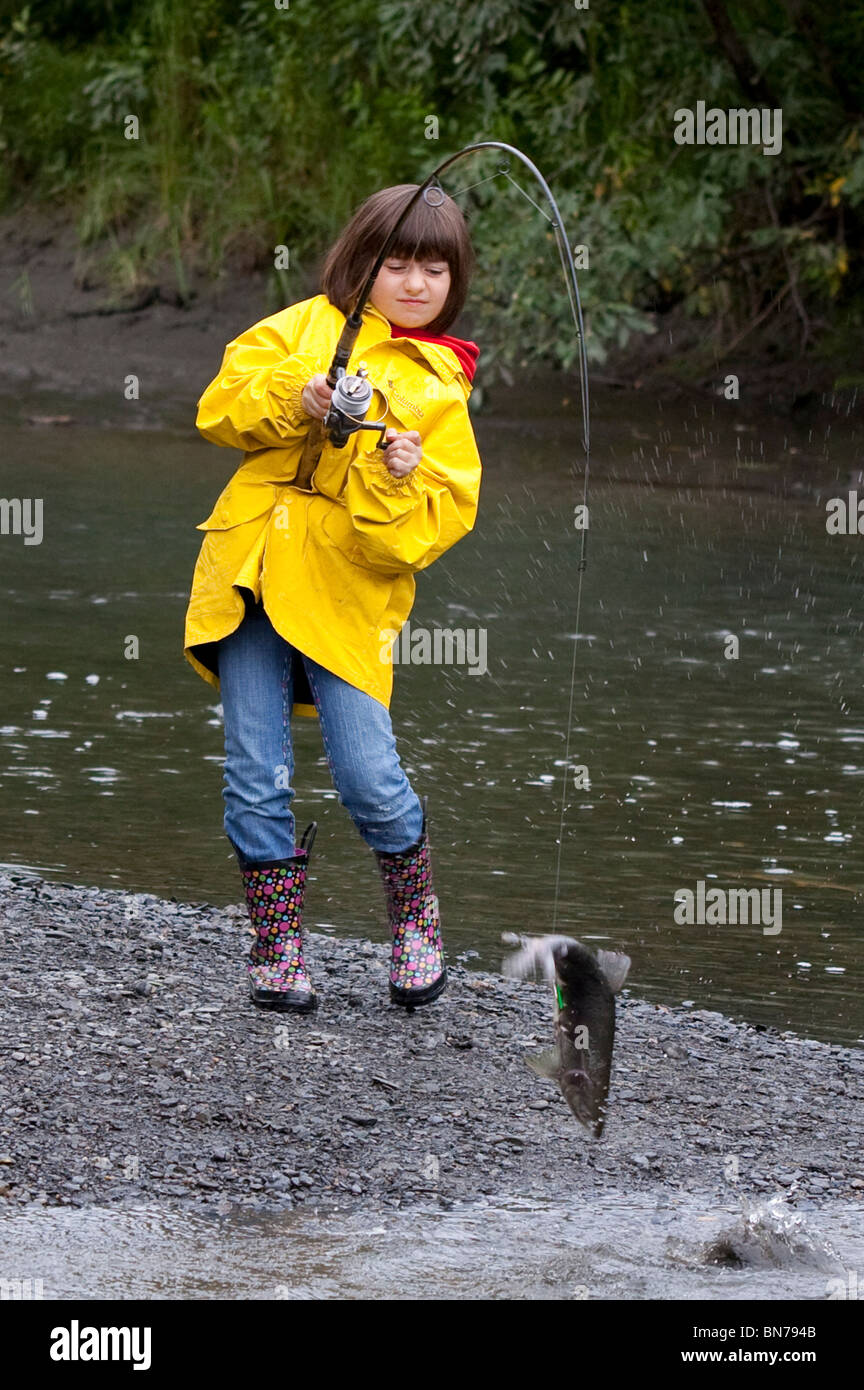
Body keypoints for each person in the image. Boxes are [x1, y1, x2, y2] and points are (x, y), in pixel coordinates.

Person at [183, 183, 482, 1015]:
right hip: (251, 575)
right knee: (254, 769)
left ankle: (417, 923)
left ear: (455, 280)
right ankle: (277, 947)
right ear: (362, 262)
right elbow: (218, 409)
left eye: (435, 268)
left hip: (348, 597)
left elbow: (426, 530)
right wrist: (300, 397)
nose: (416, 284)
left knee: (369, 775)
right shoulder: (305, 324)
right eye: (397, 264)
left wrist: (393, 478)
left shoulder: (440, 389)